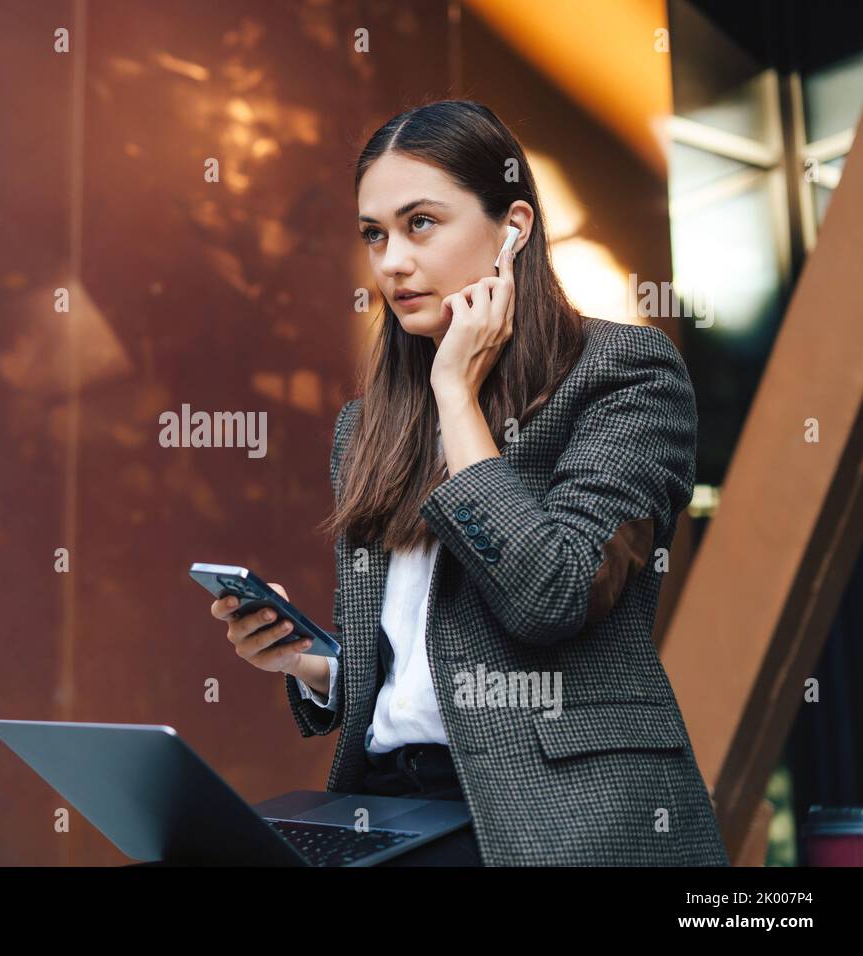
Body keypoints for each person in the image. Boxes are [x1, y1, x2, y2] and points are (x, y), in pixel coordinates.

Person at [209, 100, 730, 867]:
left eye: (421, 223)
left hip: (560, 817)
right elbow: (426, 659)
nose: (391, 261)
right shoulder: (368, 426)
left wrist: (456, 394)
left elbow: (551, 594)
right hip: (387, 805)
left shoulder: (624, 376)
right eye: (374, 234)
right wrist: (312, 664)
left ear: (512, 228)